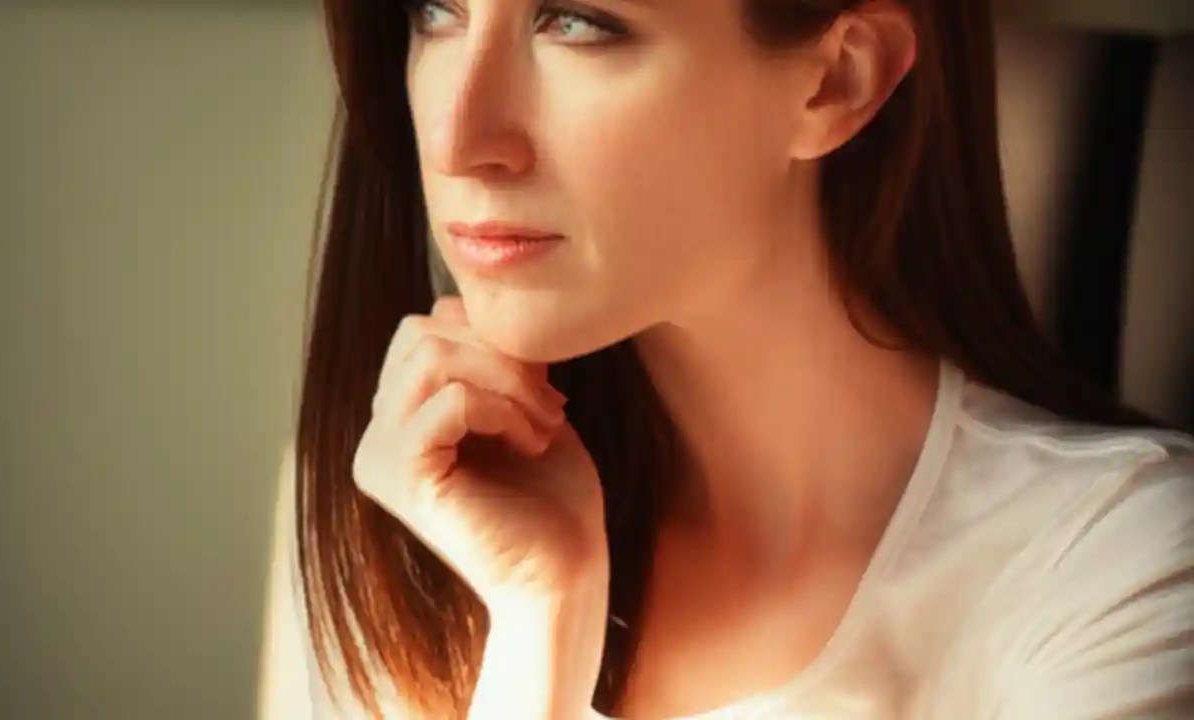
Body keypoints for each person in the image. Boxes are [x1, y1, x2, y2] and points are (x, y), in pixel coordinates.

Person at [258, 0, 1194, 718]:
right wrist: (536, 628)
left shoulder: (1119, 568)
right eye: (435, 11)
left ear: (838, 80)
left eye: (577, 23)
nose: (460, 141)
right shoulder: (398, 499)